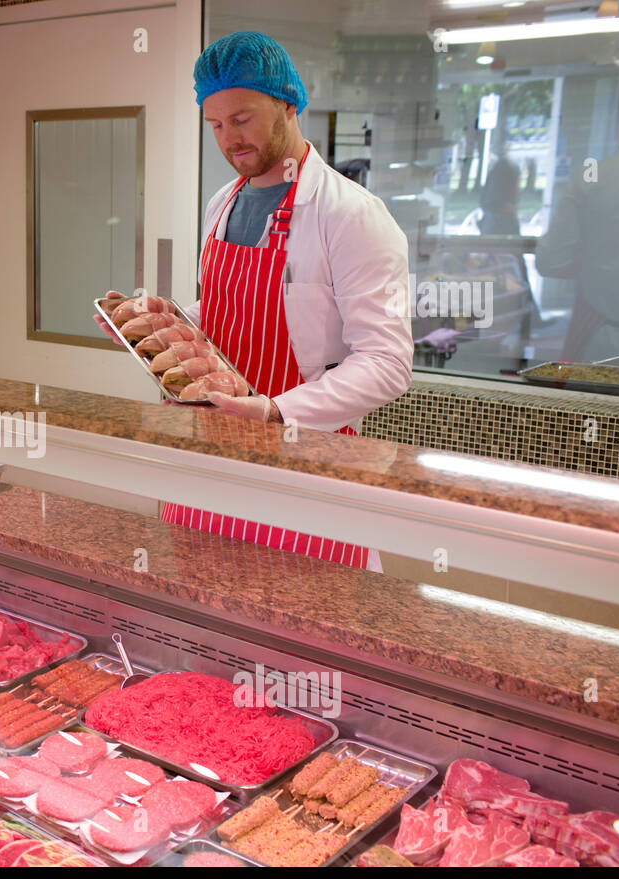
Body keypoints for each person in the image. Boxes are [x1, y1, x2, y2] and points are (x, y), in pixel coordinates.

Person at [97, 31, 412, 570]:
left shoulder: (351, 214)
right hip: (211, 455)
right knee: (209, 617)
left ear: (288, 104)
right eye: (215, 125)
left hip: (303, 460)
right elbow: (230, 313)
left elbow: (388, 363)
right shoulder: (224, 202)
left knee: (306, 630)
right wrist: (166, 323)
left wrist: (275, 410)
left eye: (242, 120)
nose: (228, 140)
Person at [535, 80, 619, 362]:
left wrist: (600, 263)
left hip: (604, 340)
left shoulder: (595, 175)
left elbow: (551, 260)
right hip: (607, 335)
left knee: (589, 406)